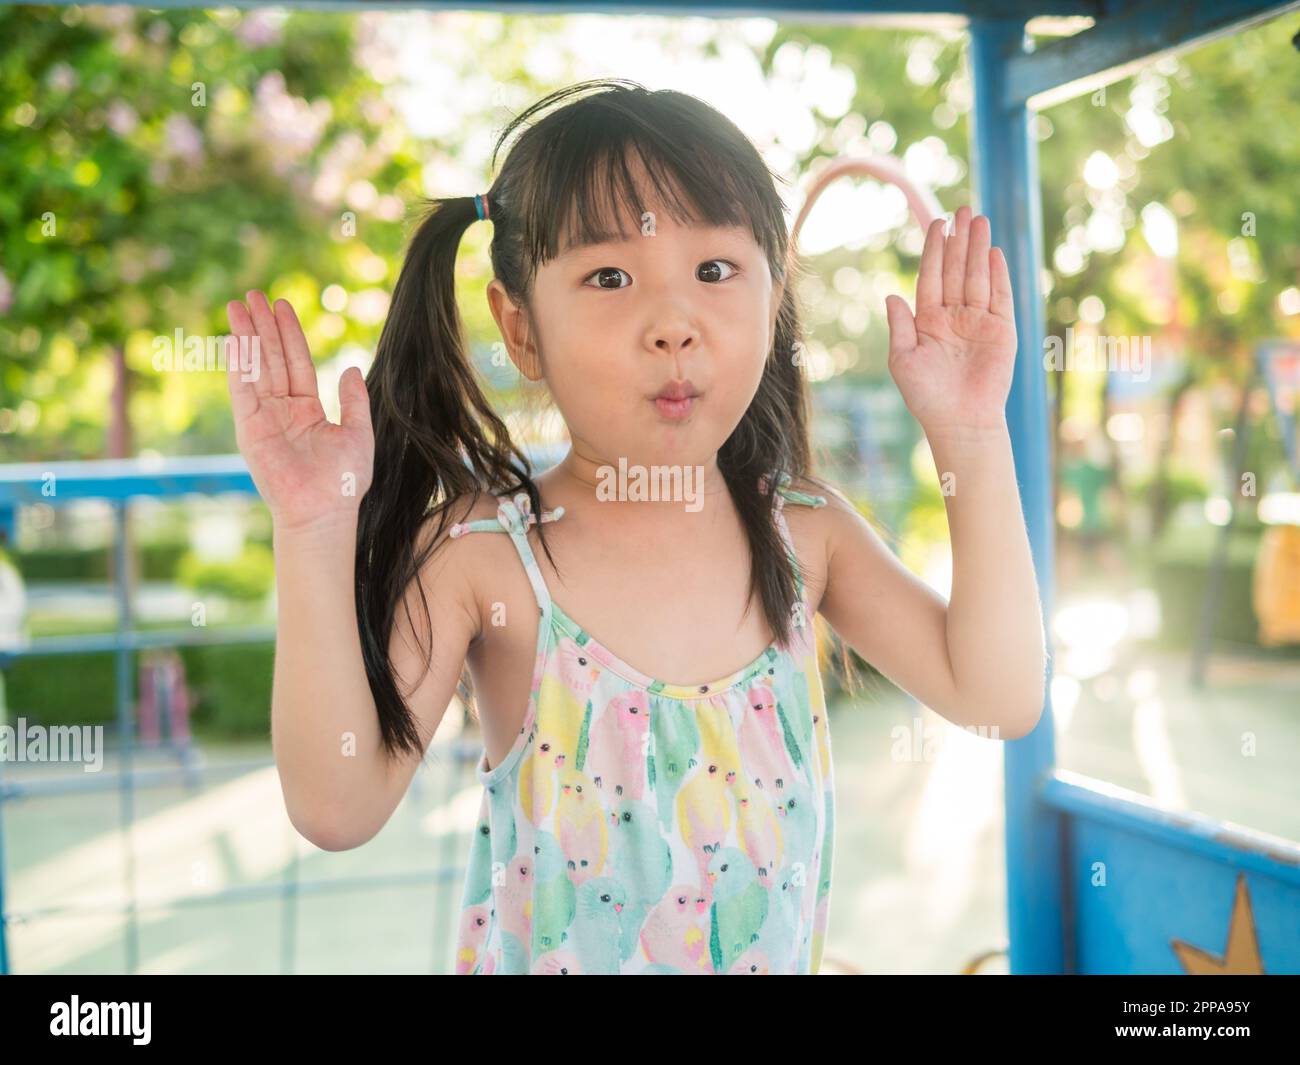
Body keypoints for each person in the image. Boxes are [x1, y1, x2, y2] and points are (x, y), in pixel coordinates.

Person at [223, 79, 1045, 974]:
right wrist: (311, 526)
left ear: (773, 302)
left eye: (716, 270)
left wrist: (969, 430)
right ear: (520, 327)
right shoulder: (488, 557)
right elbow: (337, 807)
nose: (673, 325)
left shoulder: (807, 538)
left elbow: (998, 698)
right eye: (609, 276)